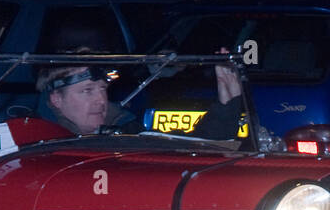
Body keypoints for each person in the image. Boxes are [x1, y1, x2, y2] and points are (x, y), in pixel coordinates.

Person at [36, 47, 244, 140]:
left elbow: (199, 145)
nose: (100, 99)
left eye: (102, 89)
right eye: (87, 91)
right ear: (57, 99)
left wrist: (229, 102)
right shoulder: (33, 143)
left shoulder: (125, 133)